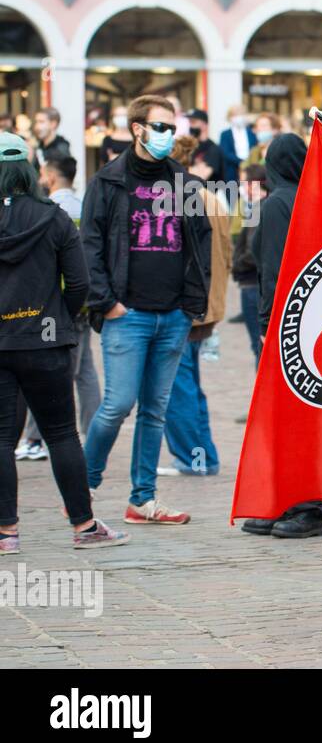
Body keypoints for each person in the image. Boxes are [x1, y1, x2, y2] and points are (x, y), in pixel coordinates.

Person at [79, 95, 212, 525]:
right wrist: (107, 302)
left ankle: (143, 499)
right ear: (137, 129)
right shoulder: (107, 182)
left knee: (155, 411)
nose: (168, 136)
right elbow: (90, 246)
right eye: (160, 128)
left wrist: (192, 306)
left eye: (172, 128)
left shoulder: (185, 182)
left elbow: (202, 244)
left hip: (172, 315)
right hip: (126, 315)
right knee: (118, 404)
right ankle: (83, 484)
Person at [0, 132, 129, 552]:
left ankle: (6, 534)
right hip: (47, 339)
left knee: (2, 438)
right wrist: (61, 317)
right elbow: (79, 284)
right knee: (61, 435)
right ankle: (84, 525)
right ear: (31, 170)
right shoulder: (53, 217)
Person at [241, 133, 322, 538]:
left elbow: (275, 271)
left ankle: (308, 508)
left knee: (289, 418)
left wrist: (266, 324)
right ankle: (286, 502)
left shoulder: (278, 203)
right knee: (295, 418)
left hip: (287, 323)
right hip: (314, 319)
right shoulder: (316, 198)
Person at [13, 154, 98, 462]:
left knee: (53, 376)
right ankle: (93, 433)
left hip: (54, 307)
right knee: (84, 372)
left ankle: (36, 438)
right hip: (82, 305)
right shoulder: (83, 208)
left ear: (48, 175)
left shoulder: (49, 212)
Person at [159, 135, 232, 478]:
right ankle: (202, 455)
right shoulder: (211, 197)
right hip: (206, 305)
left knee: (179, 384)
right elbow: (226, 256)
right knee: (188, 382)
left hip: (188, 306)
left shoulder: (182, 197)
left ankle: (193, 457)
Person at [229, 163, 266, 366]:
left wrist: (237, 265)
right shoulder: (258, 208)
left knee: (258, 347)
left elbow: (252, 250)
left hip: (251, 283)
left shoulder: (259, 209)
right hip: (253, 282)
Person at [184, 110, 225, 189]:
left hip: (207, 196)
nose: (191, 126)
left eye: (193, 122)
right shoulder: (189, 147)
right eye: (189, 122)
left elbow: (201, 176)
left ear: (204, 125)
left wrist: (186, 170)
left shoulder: (213, 148)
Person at [218, 105, 256, 183]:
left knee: (253, 193)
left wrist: (249, 162)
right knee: (232, 194)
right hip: (231, 171)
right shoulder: (225, 134)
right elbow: (225, 153)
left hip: (252, 169)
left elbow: (255, 148)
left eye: (241, 114)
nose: (238, 117)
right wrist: (242, 162)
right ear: (230, 117)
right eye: (235, 115)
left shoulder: (252, 132)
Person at [39, 156, 80, 221]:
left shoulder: (45, 209)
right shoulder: (83, 206)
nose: (39, 181)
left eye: (41, 175)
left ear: (51, 177)